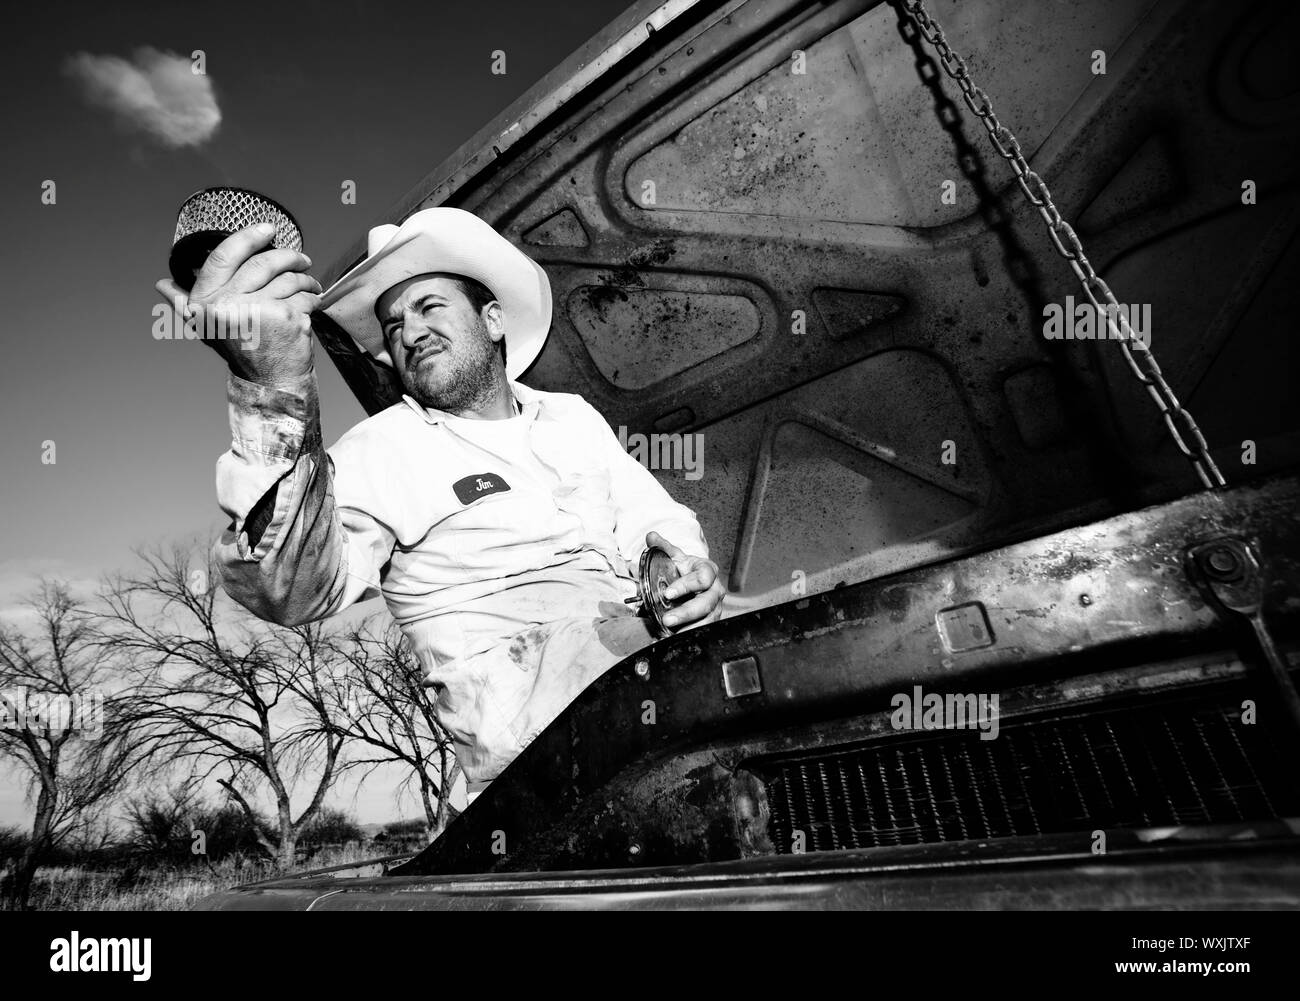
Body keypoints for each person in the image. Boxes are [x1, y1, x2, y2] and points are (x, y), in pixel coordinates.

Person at [155, 207, 724, 793]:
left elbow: (651, 518)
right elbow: (291, 588)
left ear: (494, 318)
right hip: (550, 770)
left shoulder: (572, 417)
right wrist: (272, 382)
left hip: (672, 689)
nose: (410, 332)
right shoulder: (381, 450)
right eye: (394, 325)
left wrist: (684, 568)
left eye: (429, 307)